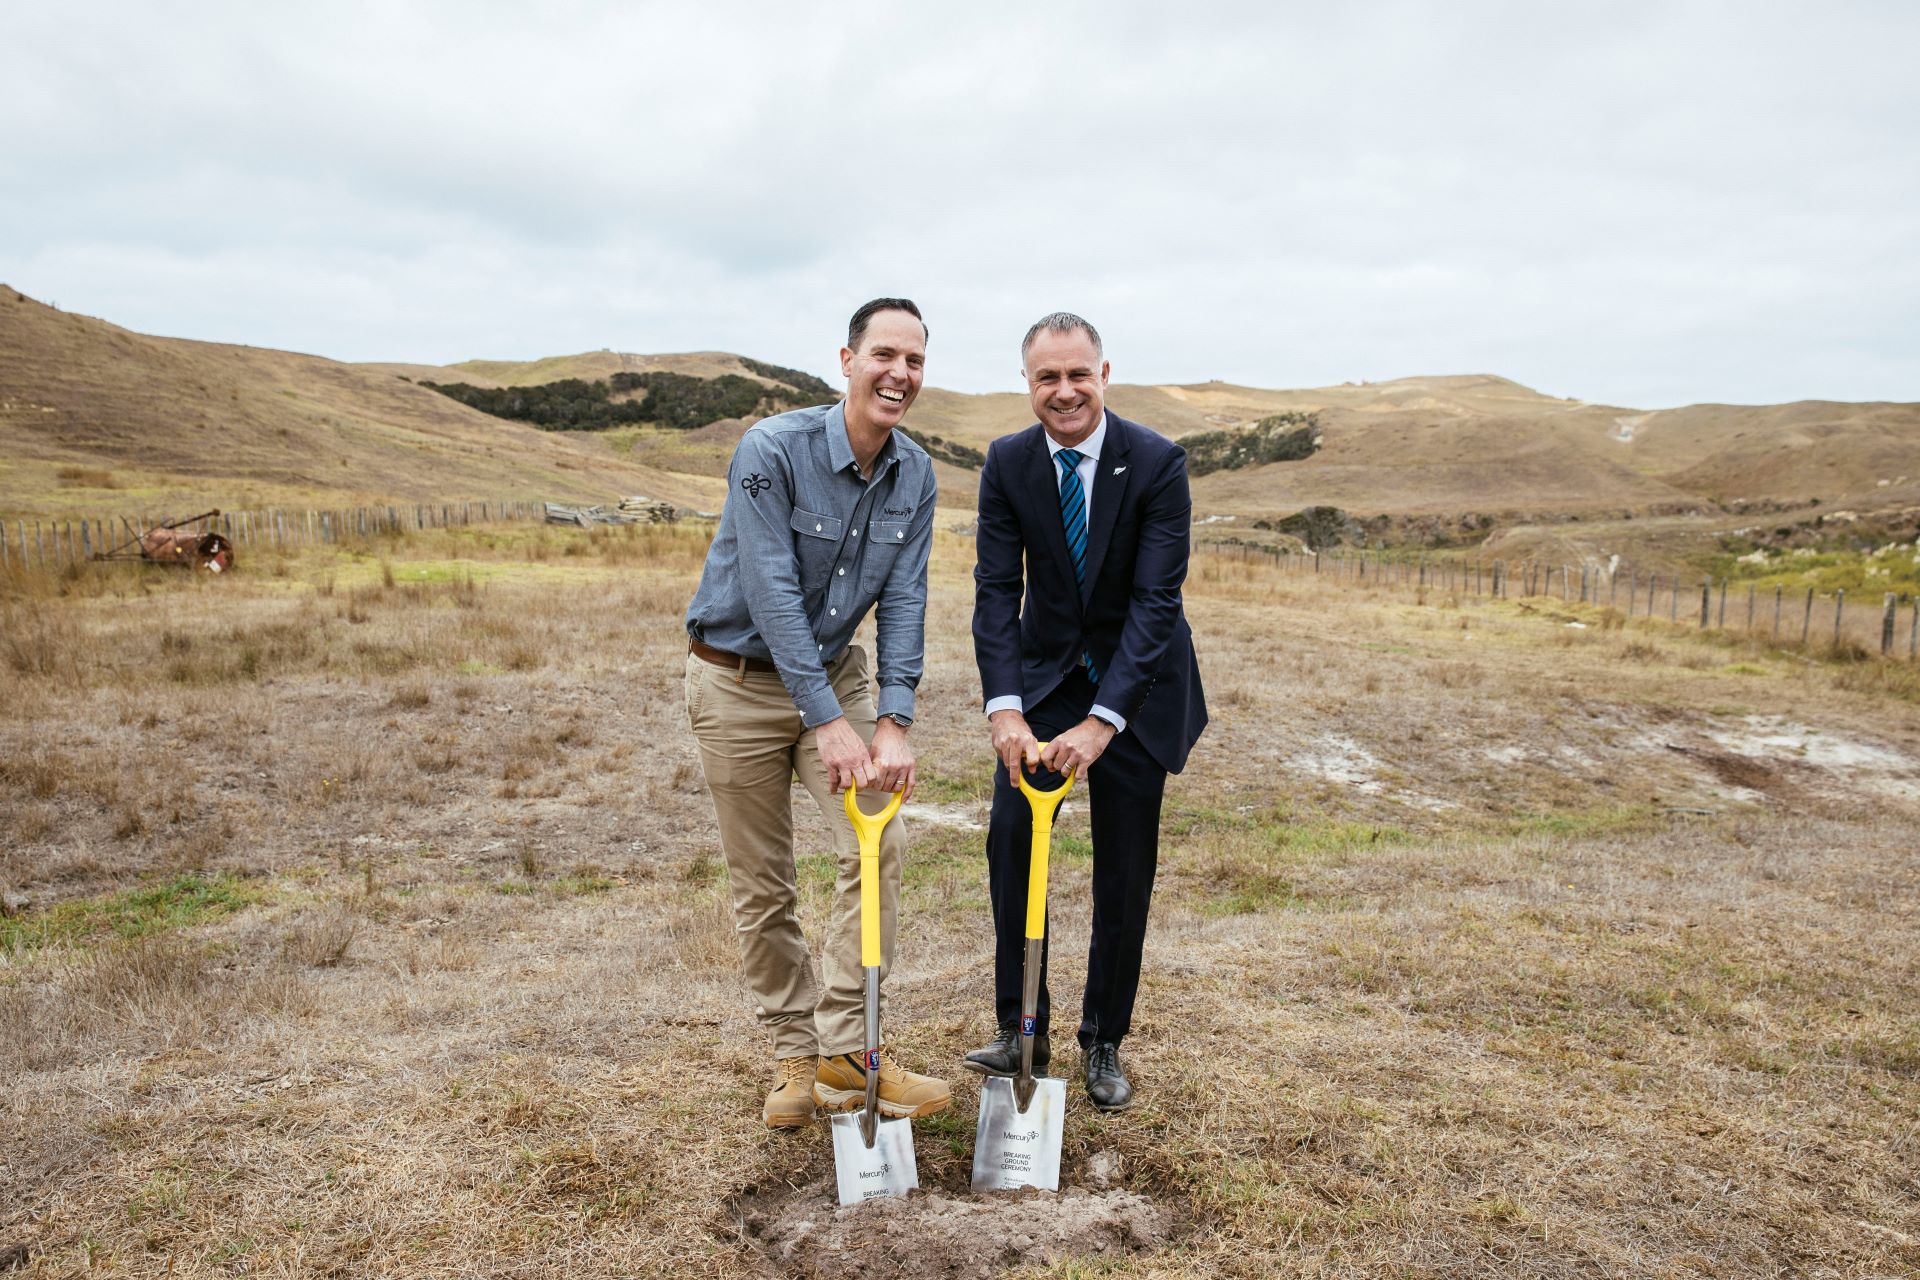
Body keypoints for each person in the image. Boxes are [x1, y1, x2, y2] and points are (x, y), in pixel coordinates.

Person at [683, 297, 950, 1127]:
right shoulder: (771, 450)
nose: (899, 374)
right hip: (735, 683)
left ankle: (847, 1048)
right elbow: (768, 589)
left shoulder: (916, 474)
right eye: (884, 355)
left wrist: (892, 719)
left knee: (877, 842)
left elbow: (904, 601)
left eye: (914, 360)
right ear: (847, 361)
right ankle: (796, 1054)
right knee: (763, 883)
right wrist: (825, 721)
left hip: (838, 680)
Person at [965, 311, 1208, 1110]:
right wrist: (1006, 709)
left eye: (1078, 375)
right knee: (1011, 839)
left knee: (1124, 866)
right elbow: (996, 591)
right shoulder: (1008, 461)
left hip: (1137, 683)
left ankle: (1104, 1040)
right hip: (1047, 679)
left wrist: (1104, 723)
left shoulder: (1157, 462)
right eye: (1047, 377)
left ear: (1104, 375)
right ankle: (1019, 1028)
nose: (1064, 391)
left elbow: (1156, 603)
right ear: (1027, 383)